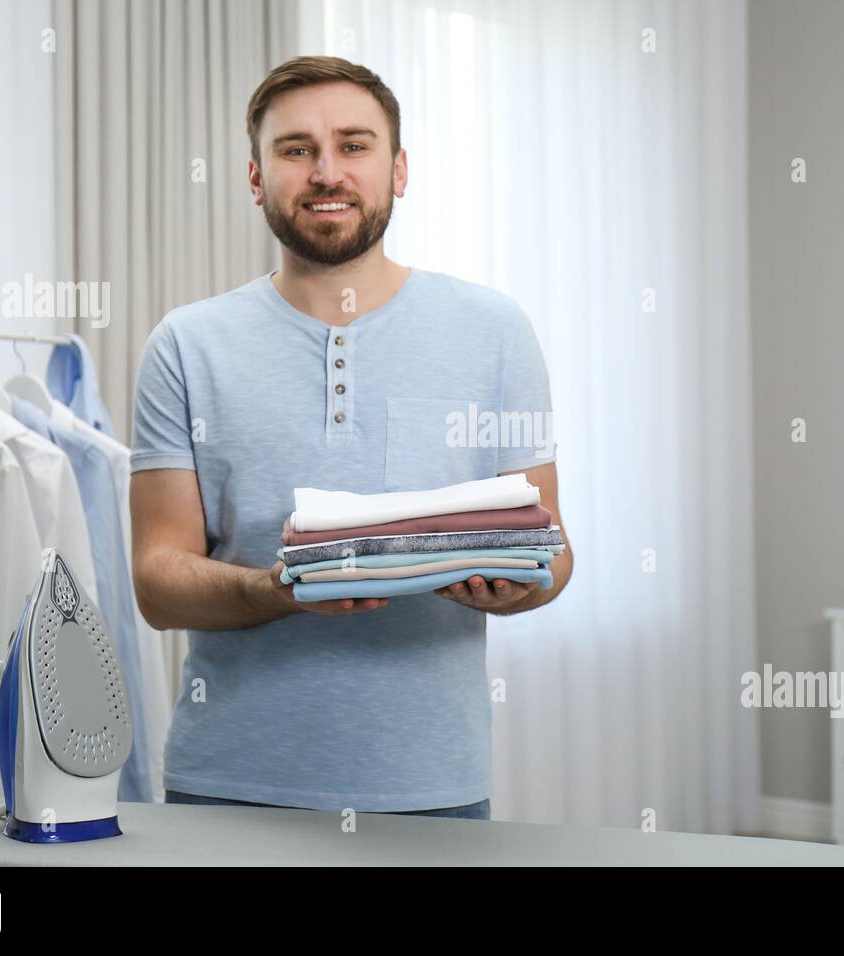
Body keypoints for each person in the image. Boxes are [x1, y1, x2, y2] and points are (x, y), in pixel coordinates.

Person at [129, 55, 573, 820]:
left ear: (398, 171)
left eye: (354, 146)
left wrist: (510, 585)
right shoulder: (185, 344)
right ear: (256, 177)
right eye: (296, 149)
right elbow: (157, 582)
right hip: (229, 787)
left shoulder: (496, 332)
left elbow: (553, 555)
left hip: (432, 789)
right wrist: (279, 591)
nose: (326, 171)